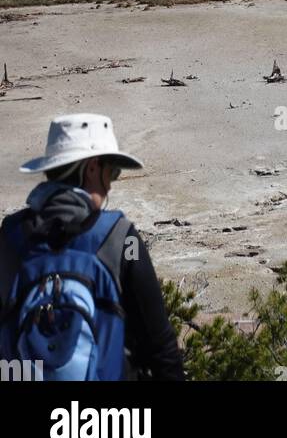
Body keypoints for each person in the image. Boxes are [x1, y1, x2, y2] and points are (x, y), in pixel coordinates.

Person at [0, 114, 184, 381]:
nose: (110, 184)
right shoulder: (122, 238)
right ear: (92, 168)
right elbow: (160, 345)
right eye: (112, 171)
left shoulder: (9, 237)